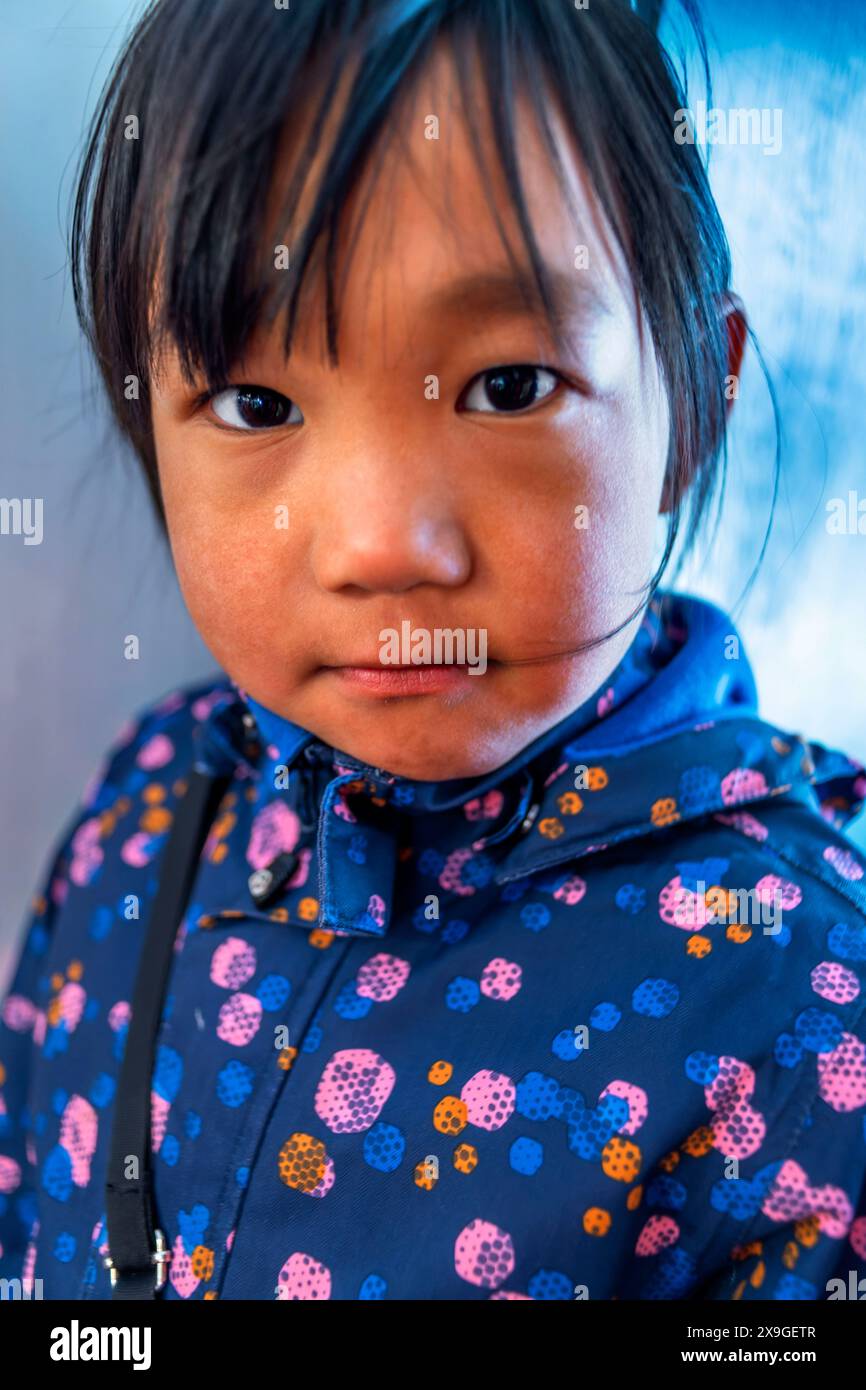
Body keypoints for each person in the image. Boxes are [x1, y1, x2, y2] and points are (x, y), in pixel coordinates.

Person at [1, 0, 864, 1301]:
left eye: (506, 385)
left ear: (698, 389)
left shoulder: (806, 983)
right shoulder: (149, 810)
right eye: (255, 404)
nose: (380, 545)